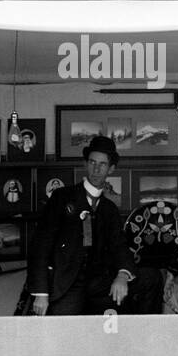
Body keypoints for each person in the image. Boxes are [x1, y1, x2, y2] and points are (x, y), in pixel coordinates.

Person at [28, 135, 134, 316]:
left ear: (111, 169)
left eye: (102, 164)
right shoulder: (61, 197)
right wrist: (41, 293)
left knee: (149, 280)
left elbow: (119, 246)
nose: (96, 169)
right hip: (66, 284)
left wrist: (122, 276)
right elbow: (41, 245)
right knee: (63, 335)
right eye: (92, 162)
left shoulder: (109, 209)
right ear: (86, 164)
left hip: (99, 284)